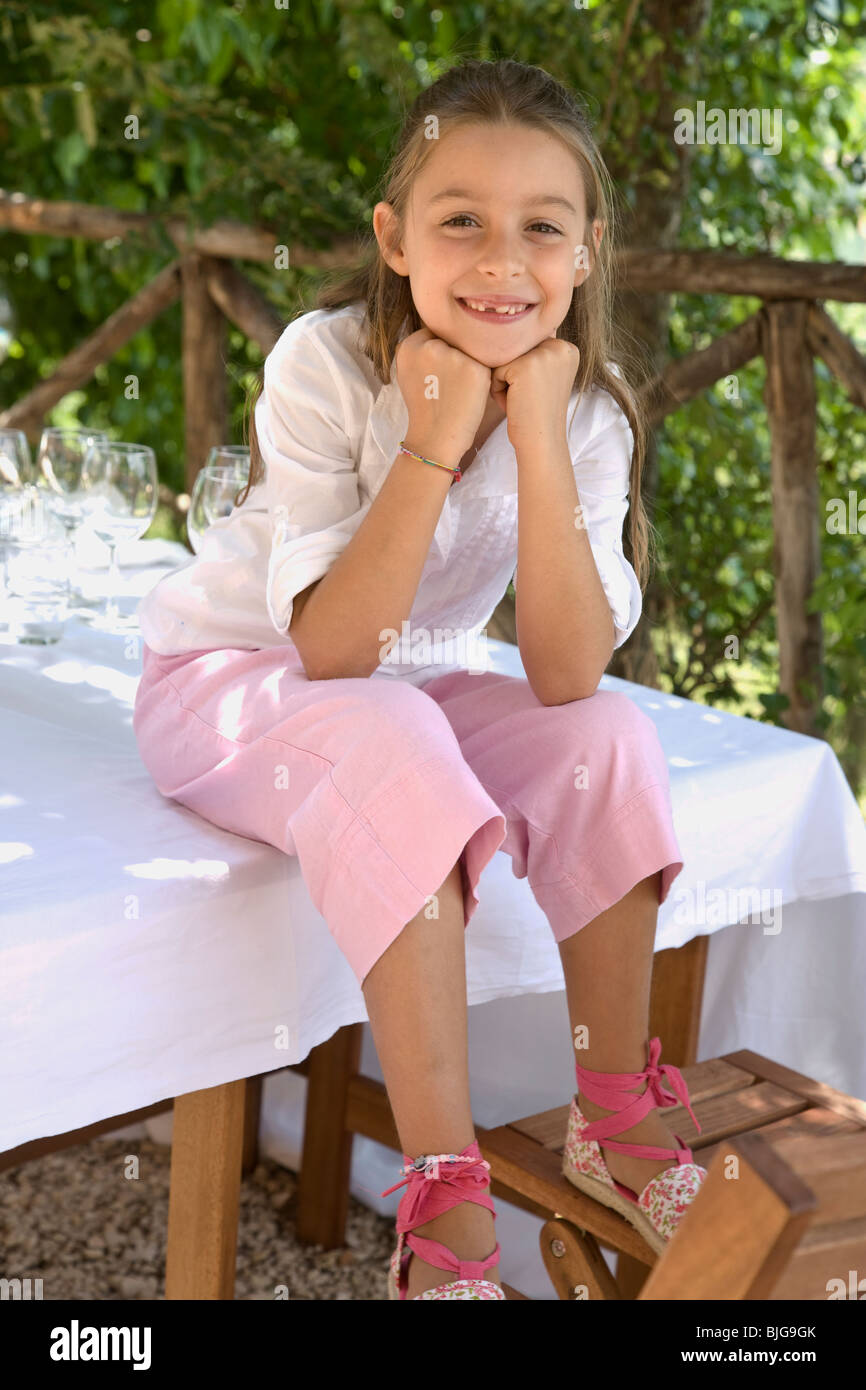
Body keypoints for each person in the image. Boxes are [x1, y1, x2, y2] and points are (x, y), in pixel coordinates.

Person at [133, 56, 706, 1302]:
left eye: (539, 229)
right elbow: (330, 651)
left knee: (610, 736)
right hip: (231, 680)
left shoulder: (589, 411)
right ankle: (440, 1205)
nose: (501, 261)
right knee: (388, 719)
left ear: (587, 252)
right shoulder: (324, 360)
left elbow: (563, 674)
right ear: (395, 238)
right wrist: (437, 437)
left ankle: (609, 1118)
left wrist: (540, 436)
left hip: (410, 681)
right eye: (461, 222)